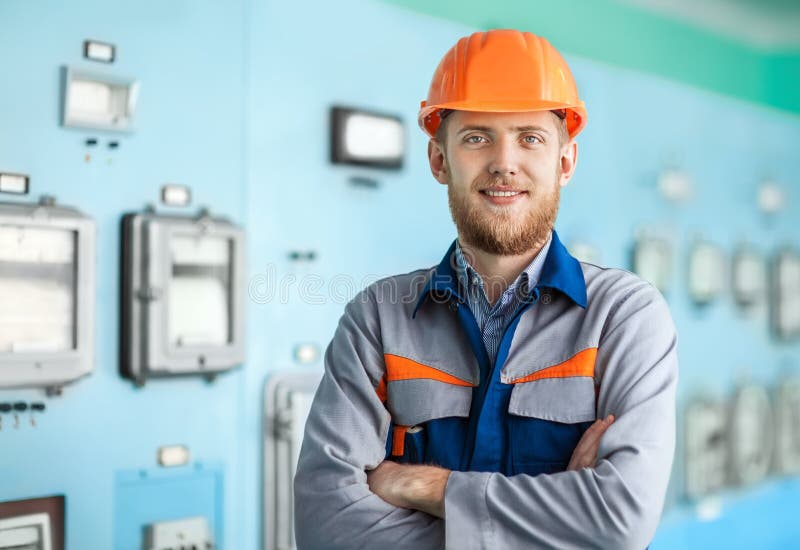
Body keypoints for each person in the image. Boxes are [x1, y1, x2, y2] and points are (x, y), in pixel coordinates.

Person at [294, 29, 678, 549]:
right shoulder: (376, 320)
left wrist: (423, 485)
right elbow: (327, 527)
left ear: (564, 162)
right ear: (439, 161)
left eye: (530, 138)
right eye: (476, 137)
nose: (504, 162)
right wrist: (559, 513)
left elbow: (619, 520)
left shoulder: (623, 318)